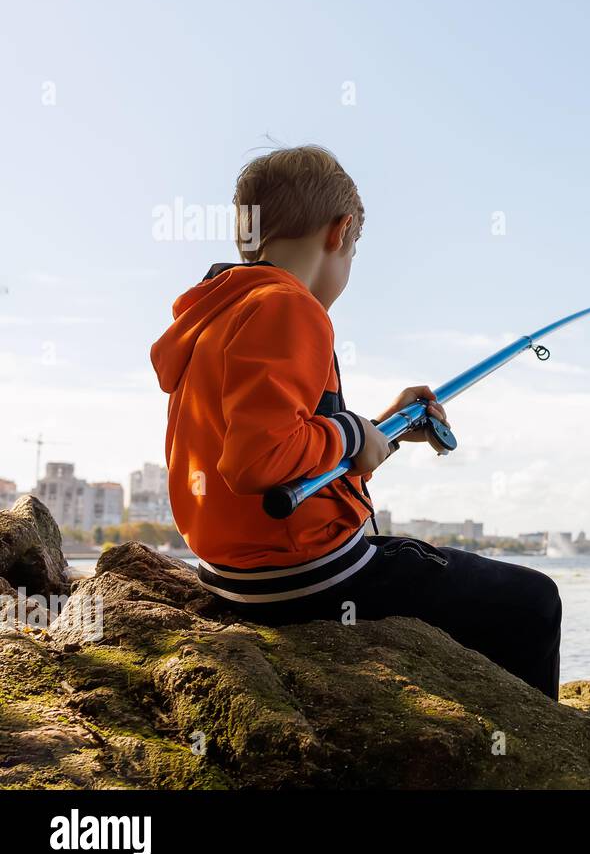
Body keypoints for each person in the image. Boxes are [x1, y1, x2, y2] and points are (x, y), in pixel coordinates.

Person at [149, 145, 562, 699]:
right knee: (532, 600)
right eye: (353, 253)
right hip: (307, 582)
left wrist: (382, 428)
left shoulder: (217, 312)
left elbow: (283, 458)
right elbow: (254, 461)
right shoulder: (289, 307)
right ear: (340, 233)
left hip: (232, 578)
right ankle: (533, 751)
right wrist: (349, 433)